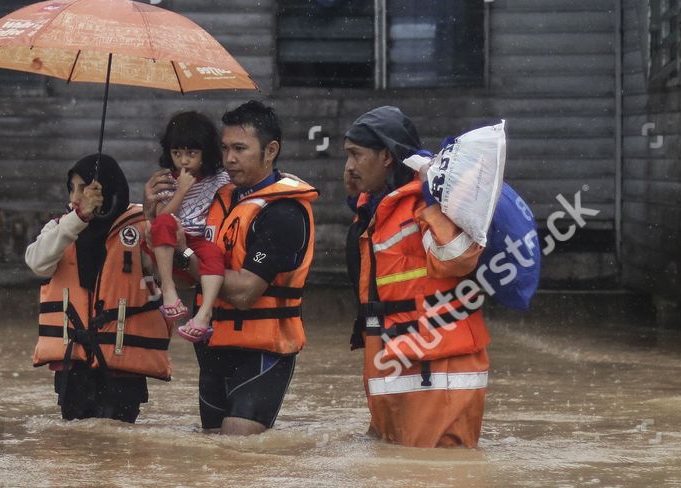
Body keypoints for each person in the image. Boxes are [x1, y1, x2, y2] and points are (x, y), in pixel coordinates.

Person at [149, 100, 316, 435]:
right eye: (224, 149)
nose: (229, 159)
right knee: (214, 457)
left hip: (261, 351)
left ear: (271, 150)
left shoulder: (283, 212)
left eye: (240, 149)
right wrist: (154, 215)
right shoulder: (217, 198)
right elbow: (176, 274)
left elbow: (243, 292)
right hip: (212, 348)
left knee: (238, 449)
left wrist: (184, 254)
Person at [342, 106, 490, 448]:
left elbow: (458, 257)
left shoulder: (427, 204)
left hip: (438, 375)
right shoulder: (376, 209)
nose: (348, 166)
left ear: (387, 157)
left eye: (355, 155)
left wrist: (431, 199)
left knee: (438, 474)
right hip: (395, 369)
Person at [26, 153, 171, 423]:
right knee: (77, 452)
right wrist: (79, 217)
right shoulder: (60, 228)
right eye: (72, 189)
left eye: (84, 188)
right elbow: (37, 263)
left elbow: (163, 271)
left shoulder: (141, 226)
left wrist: (156, 224)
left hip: (123, 367)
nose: (75, 197)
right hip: (74, 368)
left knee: (116, 451)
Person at [145, 111, 230, 343]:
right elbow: (162, 217)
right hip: (168, 243)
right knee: (164, 222)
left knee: (214, 254)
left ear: (205, 152)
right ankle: (169, 291)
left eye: (191, 153)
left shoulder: (220, 179)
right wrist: (181, 190)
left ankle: (204, 314)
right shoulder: (166, 180)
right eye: (177, 153)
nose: (183, 160)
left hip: (198, 244)